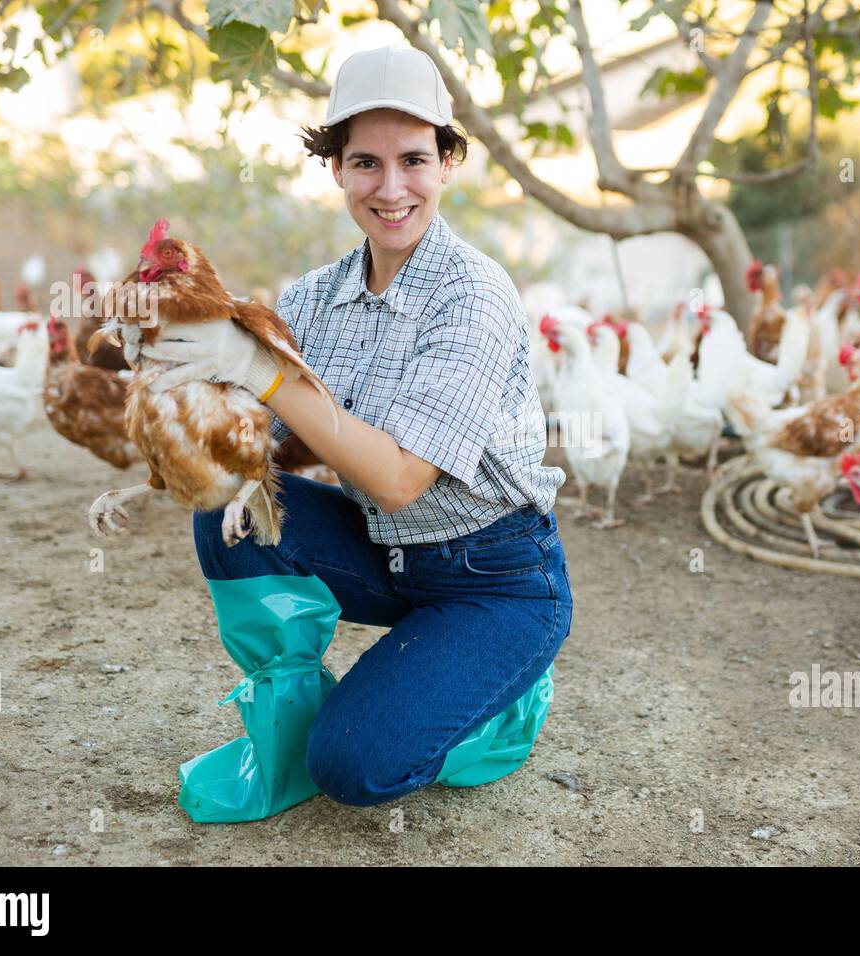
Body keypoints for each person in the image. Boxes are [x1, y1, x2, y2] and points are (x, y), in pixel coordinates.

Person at [143, 46, 572, 817]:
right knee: (233, 513)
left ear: (446, 162)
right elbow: (251, 445)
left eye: (414, 159)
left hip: (497, 581)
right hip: (387, 558)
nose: (392, 187)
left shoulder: (474, 295)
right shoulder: (314, 298)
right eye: (365, 162)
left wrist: (263, 371)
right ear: (336, 169)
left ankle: (500, 688)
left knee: (354, 767)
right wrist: (169, 386)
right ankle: (288, 720)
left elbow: (402, 481)